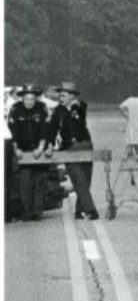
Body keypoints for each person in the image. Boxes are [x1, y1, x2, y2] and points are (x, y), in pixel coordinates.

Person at [48, 81, 99, 220]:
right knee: (79, 178)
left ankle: (79, 210)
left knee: (86, 179)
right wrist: (49, 146)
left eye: (63, 96)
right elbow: (52, 131)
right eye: (60, 96)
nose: (60, 98)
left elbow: (81, 108)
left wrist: (73, 106)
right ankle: (90, 210)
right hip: (69, 149)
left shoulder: (80, 106)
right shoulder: (58, 111)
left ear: (71, 96)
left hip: (86, 146)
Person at [8, 84, 52, 221]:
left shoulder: (42, 108)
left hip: (39, 149)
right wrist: (16, 149)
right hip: (23, 151)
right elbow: (12, 132)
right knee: (25, 183)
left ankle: (38, 211)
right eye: (27, 99)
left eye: (32, 99)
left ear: (36, 99)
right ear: (22, 98)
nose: (29, 102)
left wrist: (40, 148)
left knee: (40, 181)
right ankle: (27, 211)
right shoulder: (15, 109)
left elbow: (45, 130)